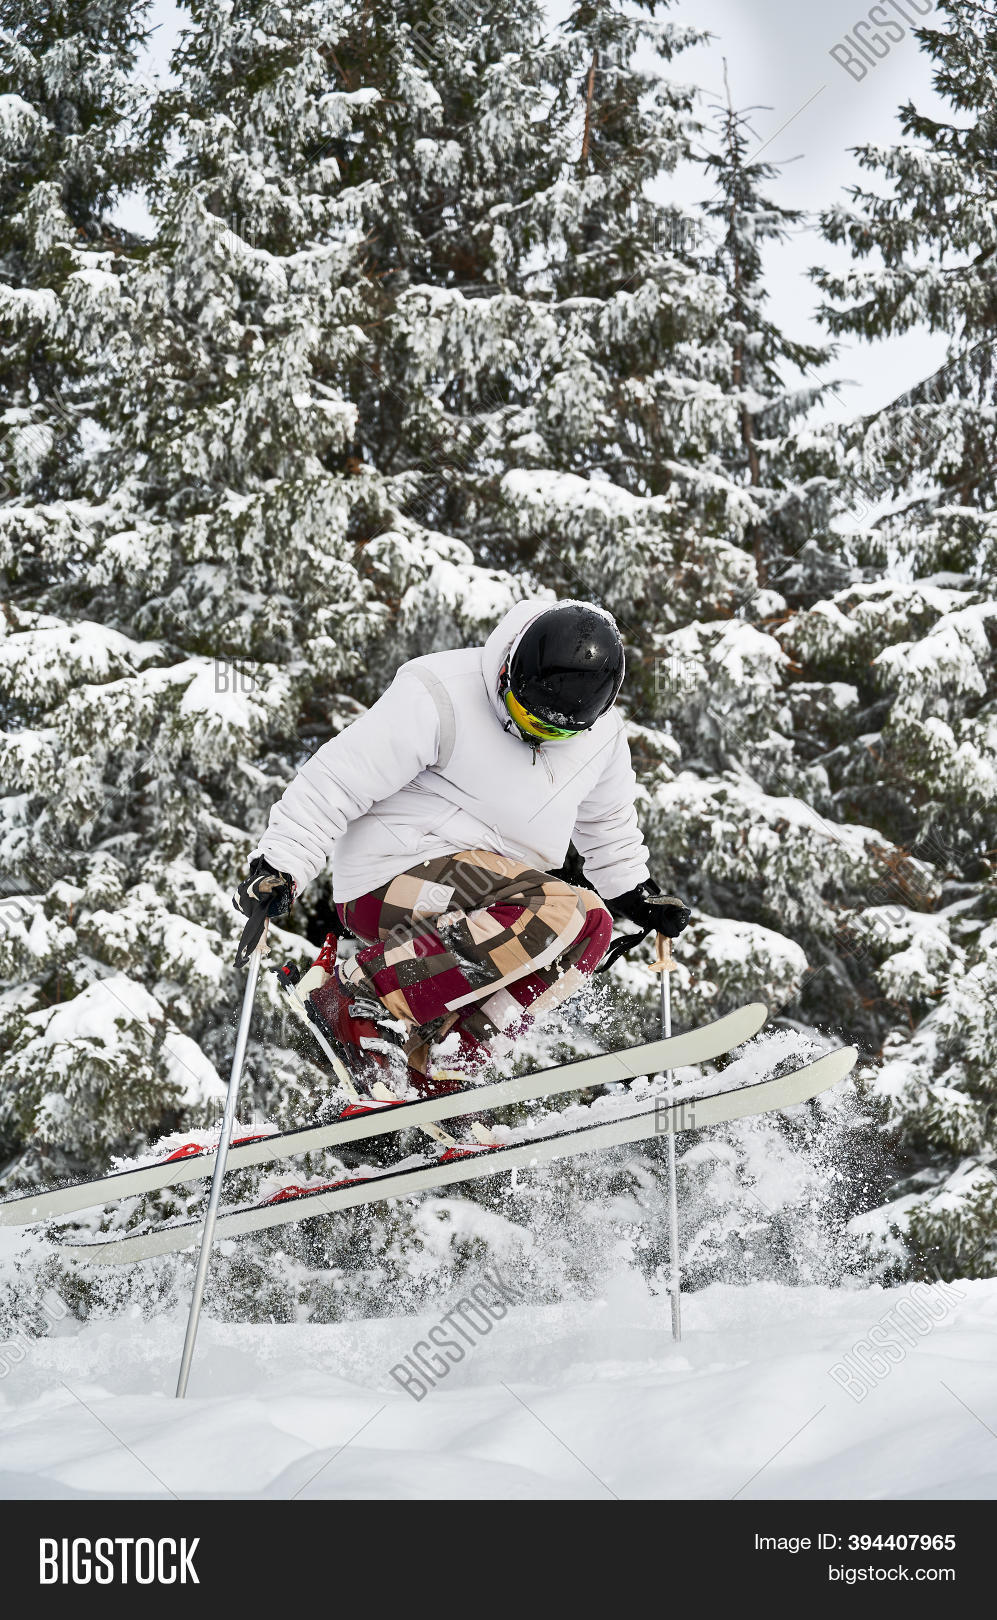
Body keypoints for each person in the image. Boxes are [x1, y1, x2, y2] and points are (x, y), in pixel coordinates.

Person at [235, 598, 690, 1099]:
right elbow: (336, 781)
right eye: (524, 715)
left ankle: (447, 1056)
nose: (533, 733)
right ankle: (351, 998)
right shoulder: (439, 692)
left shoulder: (603, 739)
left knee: (591, 925)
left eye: (556, 732)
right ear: (505, 675)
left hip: (492, 900)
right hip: (391, 877)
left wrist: (635, 893)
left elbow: (607, 825)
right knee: (556, 909)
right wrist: (282, 864)